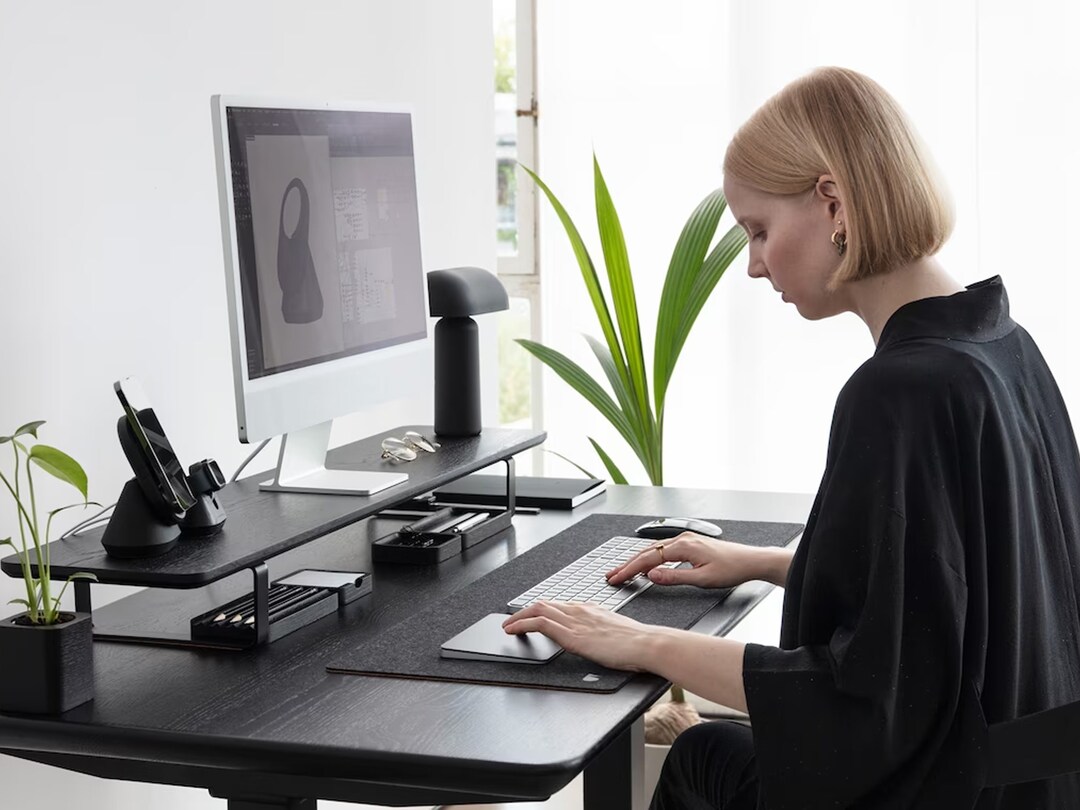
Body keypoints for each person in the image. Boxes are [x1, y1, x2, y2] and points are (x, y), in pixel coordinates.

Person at [502, 66, 1080, 809]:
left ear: (833, 203)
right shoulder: (1003, 345)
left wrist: (636, 641)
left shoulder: (900, 393)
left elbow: (862, 699)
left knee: (703, 751)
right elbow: (946, 593)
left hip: (947, 792)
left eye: (759, 230)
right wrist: (767, 563)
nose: (752, 264)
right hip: (1032, 785)